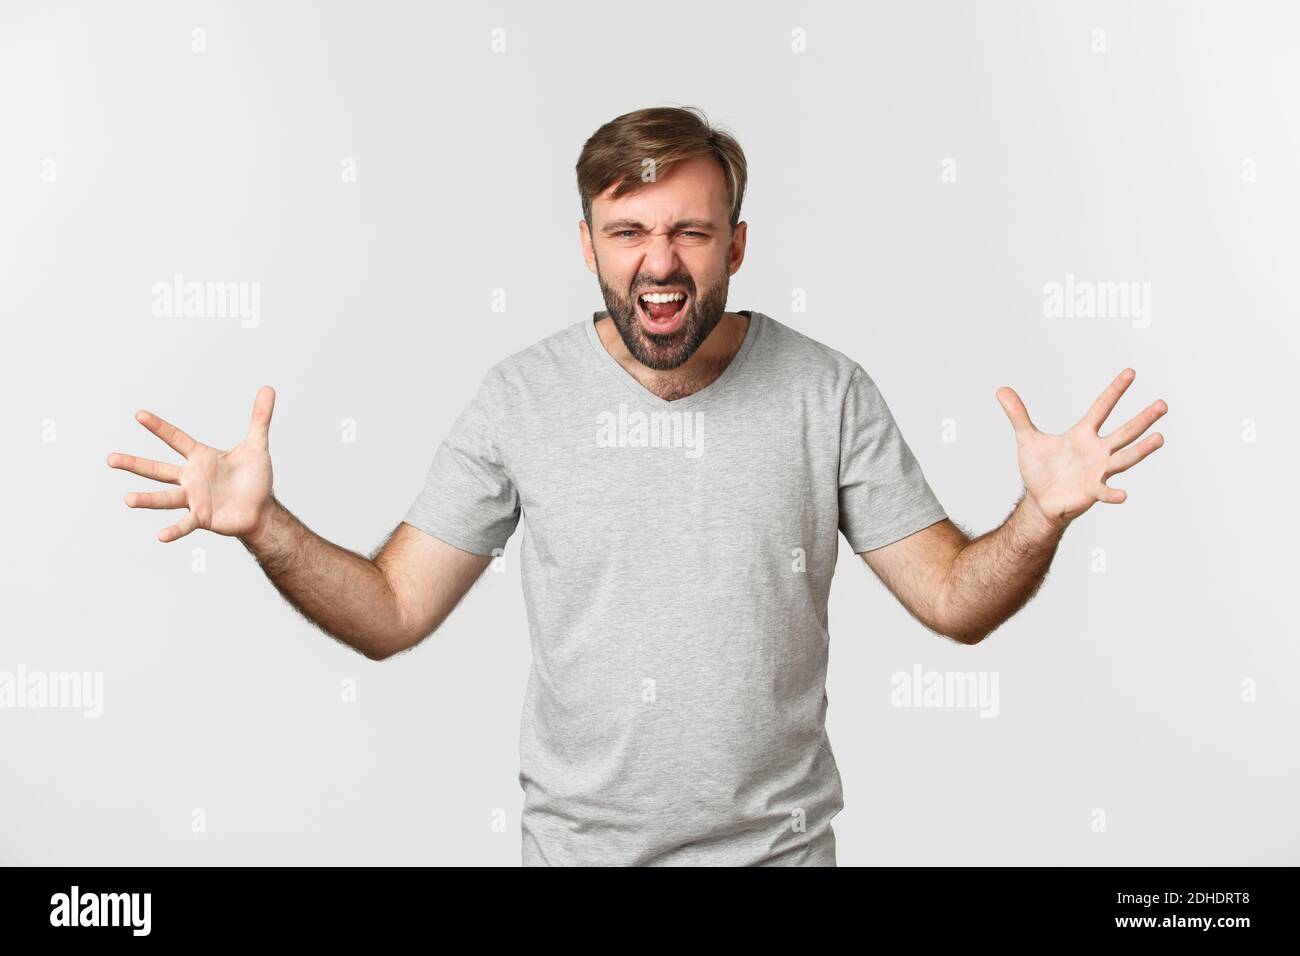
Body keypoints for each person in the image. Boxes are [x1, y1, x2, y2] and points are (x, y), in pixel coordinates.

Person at [107, 106, 1167, 866]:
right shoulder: (520, 397)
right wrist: (264, 527)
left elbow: (952, 599)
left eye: (689, 231)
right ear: (588, 247)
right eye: (628, 232)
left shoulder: (824, 391)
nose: (658, 262)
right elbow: (390, 611)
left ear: (735, 245)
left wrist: (1038, 516)